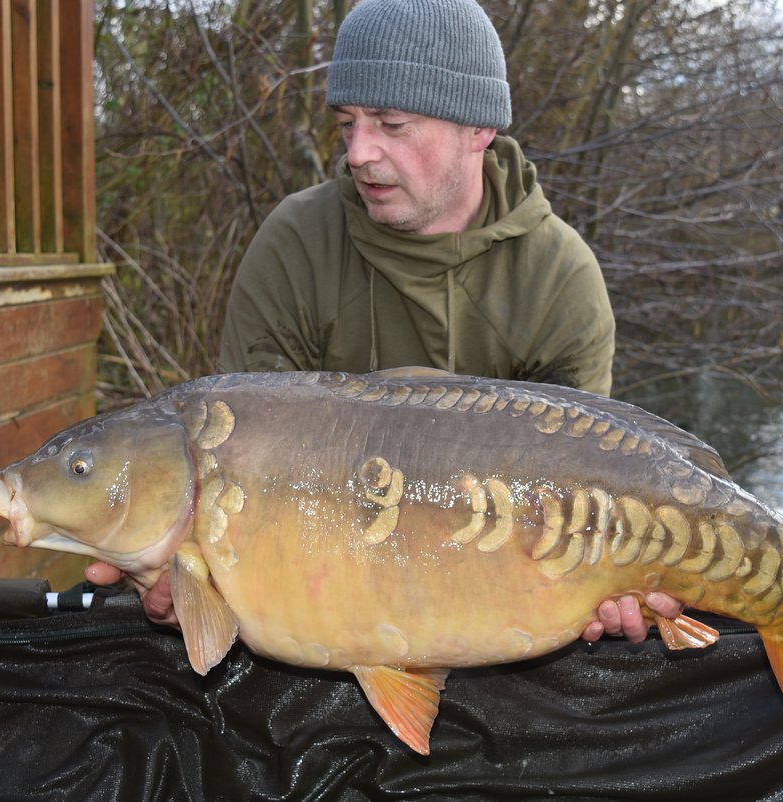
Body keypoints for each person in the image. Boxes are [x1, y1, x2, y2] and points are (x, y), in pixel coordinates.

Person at [88, 0, 681, 643]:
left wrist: (610, 587)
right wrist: (192, 574)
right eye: (348, 123)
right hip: (324, 595)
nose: (360, 153)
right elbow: (242, 476)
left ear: (478, 129)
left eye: (392, 124)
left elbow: (582, 491)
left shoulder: (558, 279)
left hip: (502, 600)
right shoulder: (295, 243)